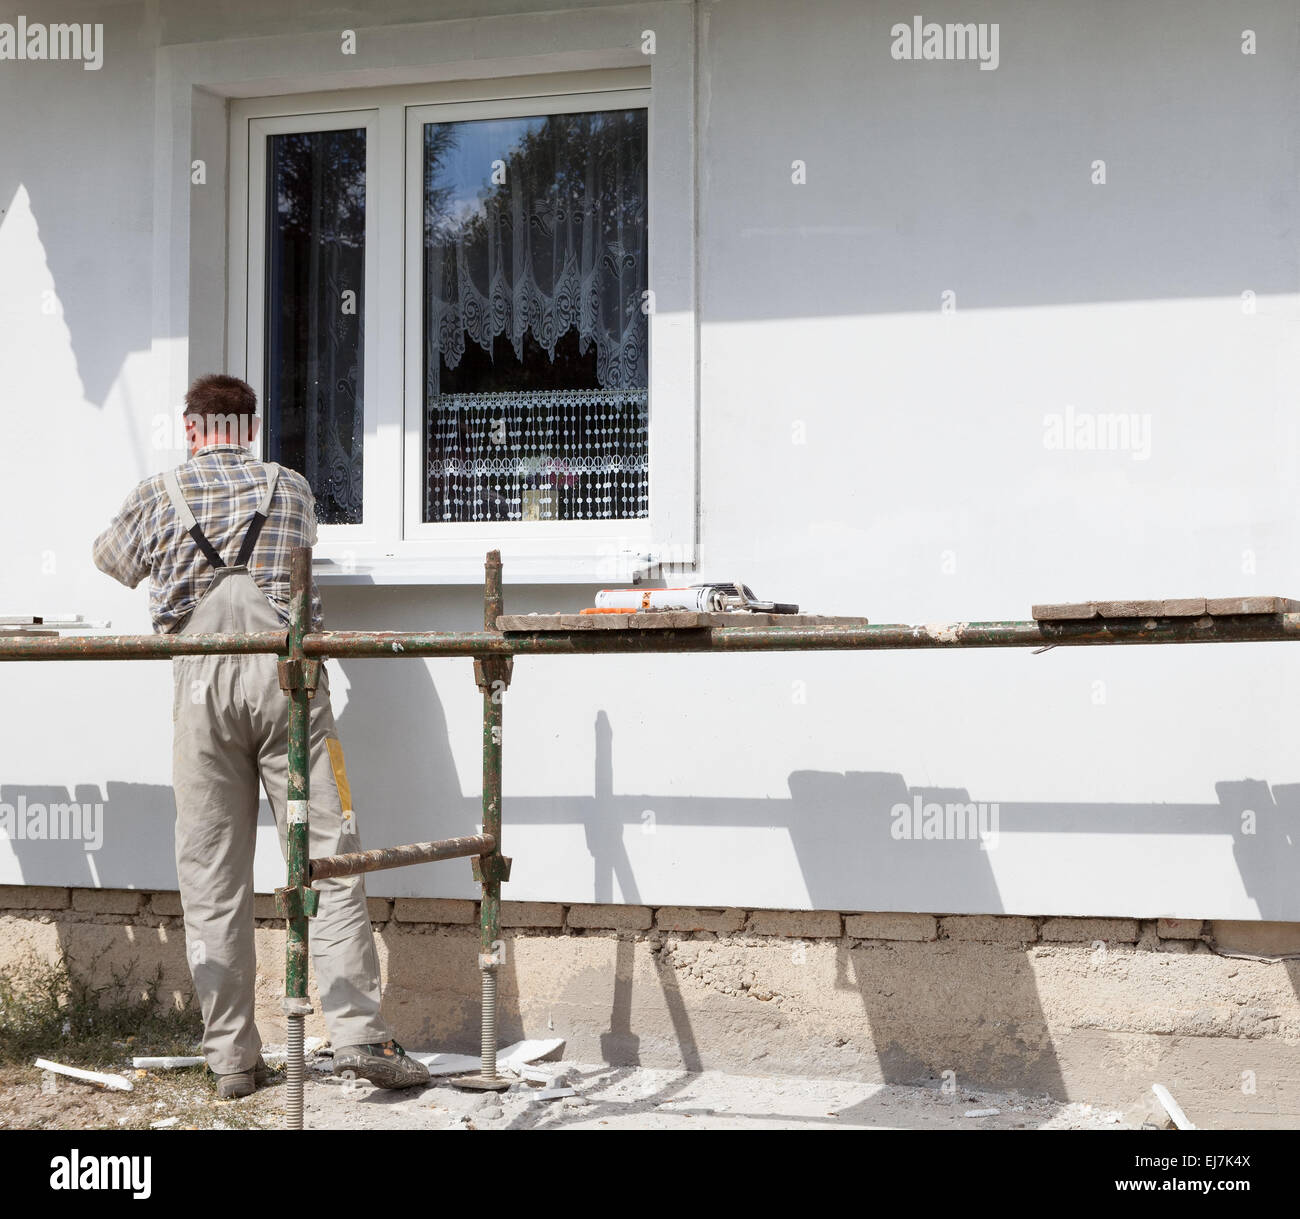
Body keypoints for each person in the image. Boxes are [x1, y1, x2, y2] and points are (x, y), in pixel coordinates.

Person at [92, 373, 428, 1098]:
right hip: (290, 681)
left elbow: (108, 559)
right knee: (328, 853)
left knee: (212, 871)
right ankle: (356, 1035)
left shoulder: (158, 493)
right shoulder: (294, 487)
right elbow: (301, 558)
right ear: (249, 428)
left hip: (202, 690)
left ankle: (232, 1064)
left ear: (191, 428)